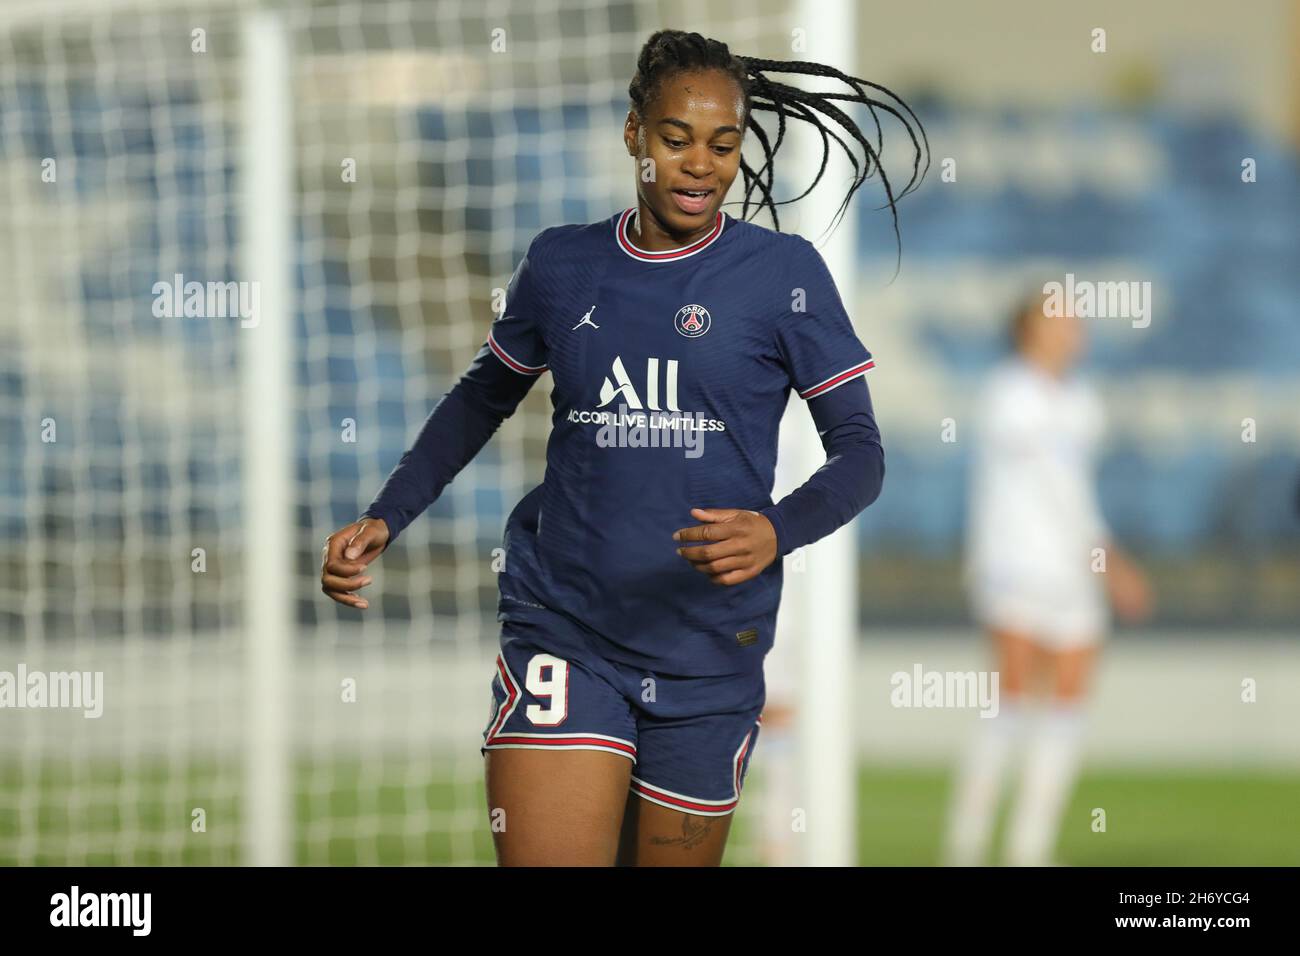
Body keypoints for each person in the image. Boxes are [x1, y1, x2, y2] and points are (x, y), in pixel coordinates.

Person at [320, 29, 927, 866]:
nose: (700, 165)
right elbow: (482, 397)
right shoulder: (562, 264)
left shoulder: (782, 275)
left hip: (710, 652)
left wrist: (776, 531)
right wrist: (389, 514)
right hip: (566, 631)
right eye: (676, 140)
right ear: (634, 133)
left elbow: (861, 452)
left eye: (723, 144)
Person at [943, 289, 1153, 867]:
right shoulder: (1008, 394)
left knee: (1066, 706)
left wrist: (1095, 559)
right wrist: (1112, 560)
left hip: (1073, 570)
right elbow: (1055, 490)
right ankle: (966, 844)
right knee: (1009, 701)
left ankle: (1028, 849)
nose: (1073, 329)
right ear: (1028, 330)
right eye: (1059, 319)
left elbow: (1077, 491)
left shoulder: (1083, 401)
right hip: (1015, 564)